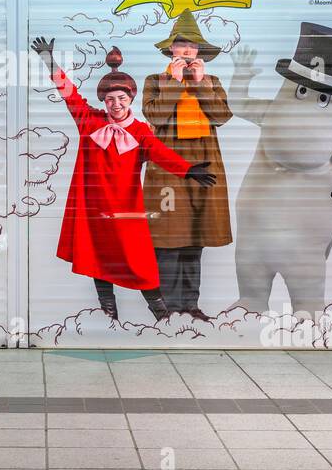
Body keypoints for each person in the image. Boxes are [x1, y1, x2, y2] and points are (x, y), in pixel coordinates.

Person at [32, 37, 217, 321]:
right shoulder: (89, 121)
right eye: (110, 99)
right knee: (98, 260)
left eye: (121, 99)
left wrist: (188, 169)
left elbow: (161, 153)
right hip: (94, 210)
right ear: (103, 101)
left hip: (126, 210)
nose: (116, 104)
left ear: (130, 100)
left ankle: (161, 314)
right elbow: (69, 94)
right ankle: (109, 314)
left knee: (140, 261)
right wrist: (50, 62)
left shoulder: (141, 130)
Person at [141, 10, 232, 319]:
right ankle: (165, 309)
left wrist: (201, 83)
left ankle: (190, 306)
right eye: (181, 45)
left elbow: (221, 117)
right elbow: (155, 117)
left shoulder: (212, 81)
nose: (186, 50)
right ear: (171, 50)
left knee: (196, 238)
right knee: (167, 238)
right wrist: (175, 83)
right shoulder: (155, 81)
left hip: (205, 166)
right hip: (168, 167)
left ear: (199, 52)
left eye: (192, 46)